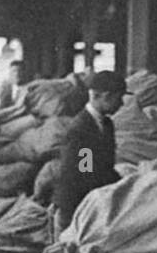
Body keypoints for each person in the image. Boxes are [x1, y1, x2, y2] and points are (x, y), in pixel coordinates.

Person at [54, 70, 126, 230]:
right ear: (105, 96)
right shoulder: (81, 130)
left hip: (93, 205)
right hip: (75, 211)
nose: (122, 104)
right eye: (119, 98)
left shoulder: (107, 125)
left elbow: (106, 169)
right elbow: (83, 176)